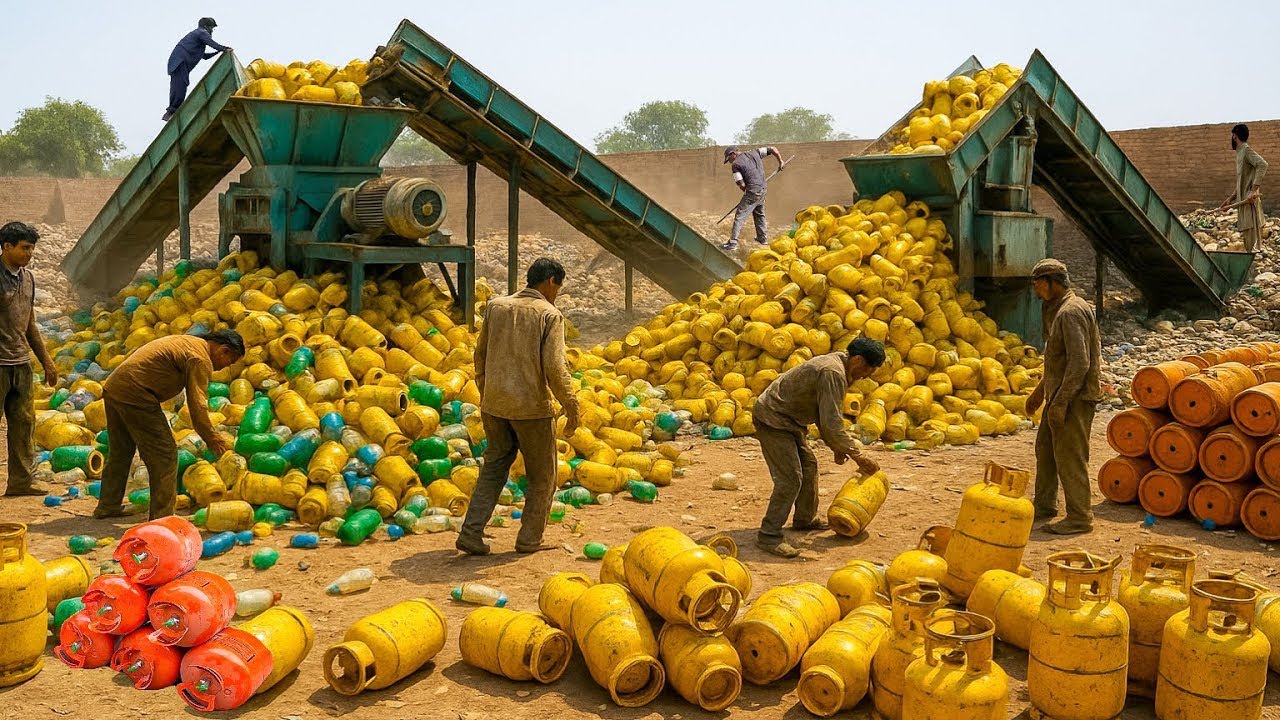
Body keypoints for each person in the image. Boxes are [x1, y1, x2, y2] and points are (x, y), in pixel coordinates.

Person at [456, 258, 580, 555]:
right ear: (551, 282)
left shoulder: (496, 306)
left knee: (494, 467)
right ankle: (529, 539)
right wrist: (572, 406)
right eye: (558, 288)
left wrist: (487, 392)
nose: (556, 294)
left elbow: (480, 355)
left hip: (494, 405)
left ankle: (470, 532)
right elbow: (554, 367)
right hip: (531, 409)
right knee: (542, 476)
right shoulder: (550, 315)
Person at [751, 338, 885, 558]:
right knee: (790, 478)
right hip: (772, 419)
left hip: (790, 421)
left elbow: (825, 415)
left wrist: (837, 446)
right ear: (858, 360)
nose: (867, 375)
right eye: (868, 369)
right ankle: (768, 536)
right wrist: (857, 455)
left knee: (809, 466)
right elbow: (832, 423)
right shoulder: (833, 372)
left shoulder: (839, 368)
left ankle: (804, 519)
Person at [94, 331, 243, 520]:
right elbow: (197, 405)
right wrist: (211, 438)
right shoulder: (200, 358)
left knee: (121, 451)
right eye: (229, 362)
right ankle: (163, 517)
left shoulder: (190, 342)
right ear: (224, 350)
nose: (223, 368)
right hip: (137, 393)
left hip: (116, 387)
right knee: (165, 454)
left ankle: (108, 506)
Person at [1025, 258, 1102, 535]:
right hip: (1059, 395)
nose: (1036, 291)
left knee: (1070, 455)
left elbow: (1080, 363)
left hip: (1075, 398)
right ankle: (1045, 505)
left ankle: (1080, 517)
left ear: (1052, 282)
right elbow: (1058, 360)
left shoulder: (1071, 312)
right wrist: (1039, 394)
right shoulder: (1056, 310)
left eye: (1038, 284)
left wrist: (1060, 403)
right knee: (1046, 449)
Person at [0, 222, 56, 497]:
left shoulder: (28, 278)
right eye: (24, 247)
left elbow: (30, 323)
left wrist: (46, 361)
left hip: (21, 362)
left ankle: (21, 482)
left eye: (32, 247)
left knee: (24, 424)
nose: (29, 253)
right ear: (6, 246)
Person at [165, 17, 231, 121]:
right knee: (180, 85)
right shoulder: (201, 33)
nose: (212, 31)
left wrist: (219, 52)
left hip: (177, 62)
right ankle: (172, 111)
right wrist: (224, 49)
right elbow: (212, 43)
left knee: (179, 85)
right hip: (180, 62)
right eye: (212, 28)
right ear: (206, 26)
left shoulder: (196, 36)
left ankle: (172, 110)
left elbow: (203, 56)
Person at [722, 145, 787, 250]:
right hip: (763, 188)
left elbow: (740, 183)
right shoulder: (755, 152)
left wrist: (747, 192)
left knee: (739, 216)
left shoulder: (735, 164)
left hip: (753, 191)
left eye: (729, 159)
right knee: (759, 213)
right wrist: (781, 162)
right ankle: (762, 239)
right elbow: (773, 149)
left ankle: (732, 243)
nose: (729, 161)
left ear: (732, 154)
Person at [1219, 123, 1269, 251]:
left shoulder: (1246, 151)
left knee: (1252, 245)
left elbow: (1263, 165)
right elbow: (1243, 181)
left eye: (1232, 136)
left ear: (1235, 136)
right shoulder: (1240, 153)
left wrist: (1253, 190)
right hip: (1243, 204)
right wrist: (1231, 198)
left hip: (1249, 204)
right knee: (1248, 242)